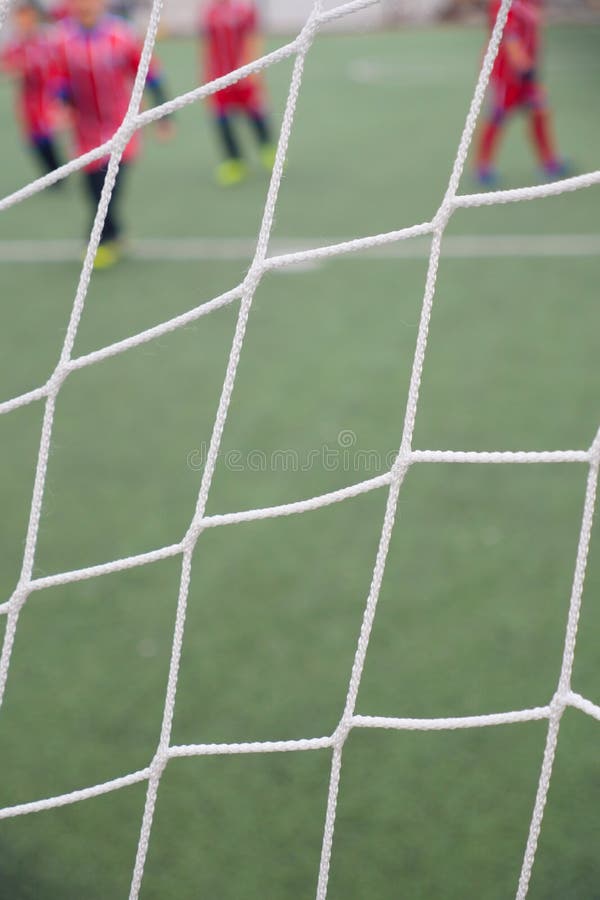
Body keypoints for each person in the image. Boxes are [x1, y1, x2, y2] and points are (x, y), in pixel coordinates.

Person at [53, 0, 173, 269]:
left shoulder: (120, 35)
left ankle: (99, 242)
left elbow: (148, 72)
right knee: (92, 185)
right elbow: (60, 78)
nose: (85, 6)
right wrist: (60, 106)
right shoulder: (62, 39)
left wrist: (164, 116)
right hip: (85, 127)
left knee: (110, 183)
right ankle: (116, 233)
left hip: (119, 125)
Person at [475, 0, 568, 185]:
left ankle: (549, 162)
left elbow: (534, 29)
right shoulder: (502, 4)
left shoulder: (531, 2)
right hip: (506, 75)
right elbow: (508, 37)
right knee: (497, 116)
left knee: (541, 111)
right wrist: (522, 65)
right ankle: (483, 167)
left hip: (527, 74)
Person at [200, 0, 276, 187]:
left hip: (244, 73)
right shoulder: (210, 12)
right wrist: (205, 72)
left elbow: (253, 38)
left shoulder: (244, 9)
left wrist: (255, 69)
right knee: (221, 118)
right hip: (219, 77)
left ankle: (268, 151)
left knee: (255, 111)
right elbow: (206, 44)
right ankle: (234, 162)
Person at [1, 0, 64, 180]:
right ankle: (50, 172)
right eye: (20, 18)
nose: (23, 21)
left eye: (27, 17)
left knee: (47, 135)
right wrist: (15, 69)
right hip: (28, 99)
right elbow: (7, 67)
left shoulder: (47, 39)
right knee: (34, 140)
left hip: (47, 94)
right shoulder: (15, 45)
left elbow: (58, 64)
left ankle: (56, 172)